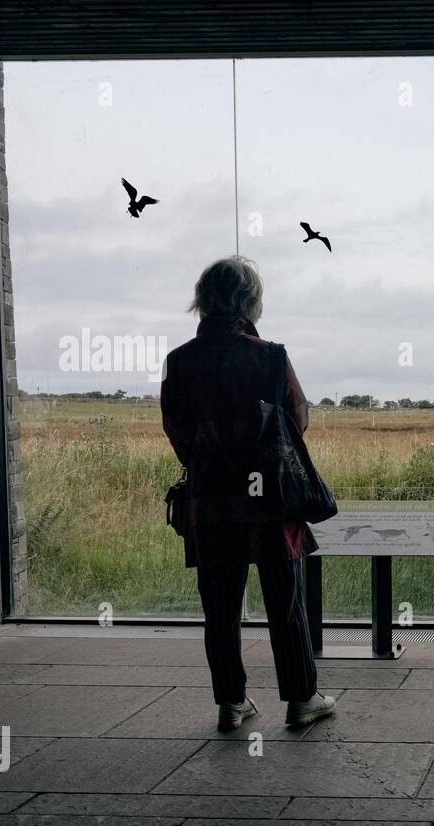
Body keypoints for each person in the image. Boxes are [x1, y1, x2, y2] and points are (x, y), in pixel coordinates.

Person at [161, 256, 335, 732]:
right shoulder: (271, 356)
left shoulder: (179, 362)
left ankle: (231, 703)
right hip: (270, 501)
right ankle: (302, 699)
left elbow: (174, 429)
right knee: (286, 604)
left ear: (204, 299)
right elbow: (297, 422)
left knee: (219, 610)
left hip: (209, 501)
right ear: (249, 301)